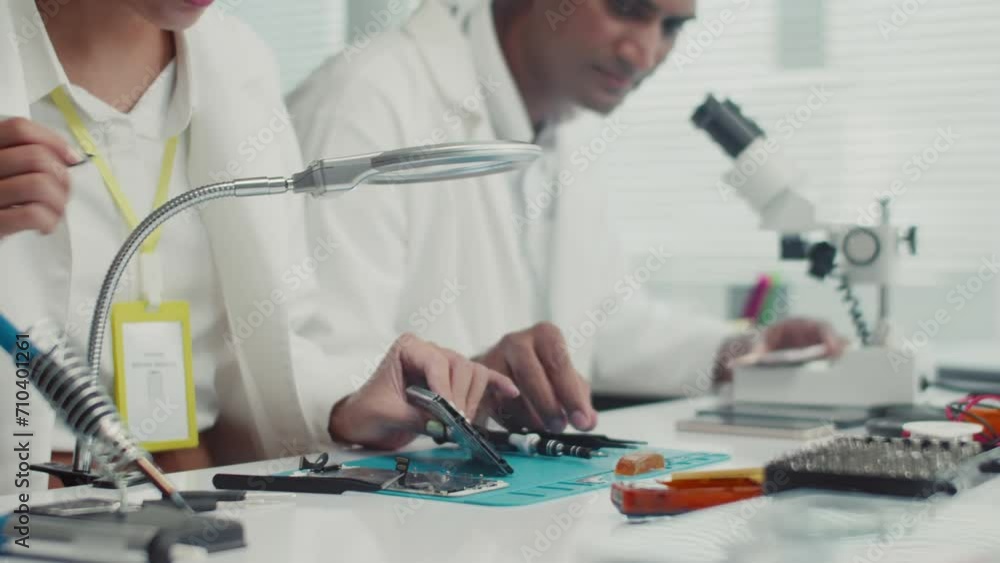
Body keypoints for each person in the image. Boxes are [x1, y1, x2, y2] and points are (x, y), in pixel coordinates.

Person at [0, 0, 518, 492]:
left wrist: (344, 408)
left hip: (189, 503)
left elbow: (277, 339)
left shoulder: (238, 64)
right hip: (29, 512)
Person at [288, 0, 844, 441]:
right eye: (626, 8)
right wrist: (464, 385)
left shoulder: (564, 123)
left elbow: (604, 321)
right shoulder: (366, 101)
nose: (645, 53)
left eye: (673, 25)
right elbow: (318, 377)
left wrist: (737, 354)